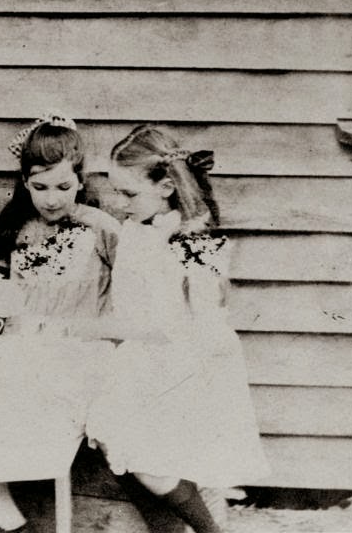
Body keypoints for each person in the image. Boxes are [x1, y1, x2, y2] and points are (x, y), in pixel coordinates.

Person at [85, 125, 270, 533]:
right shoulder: (137, 230)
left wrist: (85, 328)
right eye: (115, 192)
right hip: (143, 357)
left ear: (166, 185)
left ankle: (209, 530)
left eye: (128, 194)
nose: (119, 203)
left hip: (186, 364)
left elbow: (187, 325)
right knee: (111, 438)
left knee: (150, 461)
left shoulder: (194, 240)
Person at [0, 115, 120, 533]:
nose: (52, 199)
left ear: (80, 180)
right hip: (24, 349)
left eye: (63, 186)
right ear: (24, 181)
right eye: (39, 187)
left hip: (81, 352)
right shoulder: (12, 227)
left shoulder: (102, 229)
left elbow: (137, 294)